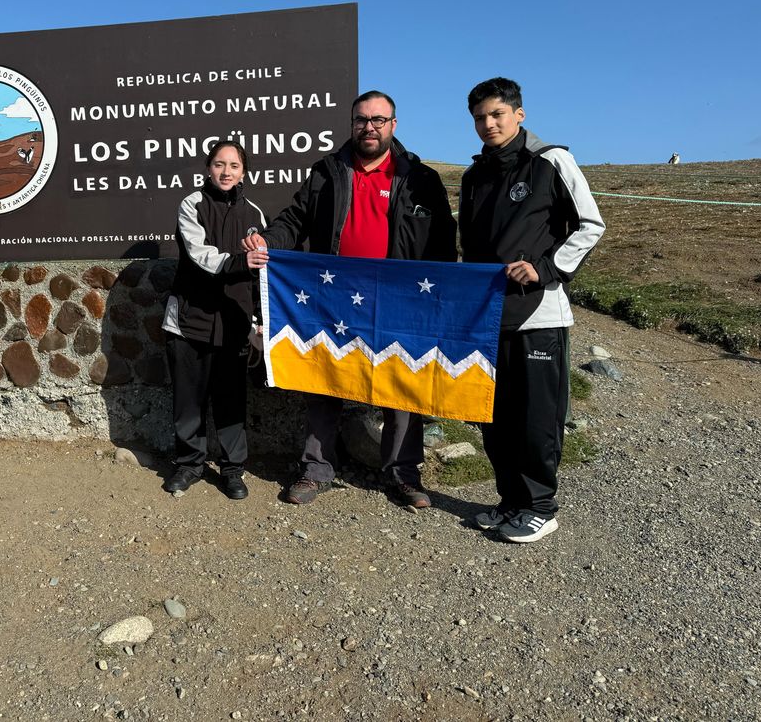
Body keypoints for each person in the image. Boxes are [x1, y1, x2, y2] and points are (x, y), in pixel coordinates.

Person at [245, 90, 456, 508]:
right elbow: (294, 219)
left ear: (394, 125)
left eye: (379, 119)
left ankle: (403, 476)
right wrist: (267, 242)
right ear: (352, 124)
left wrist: (439, 293)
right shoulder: (327, 172)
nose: (370, 127)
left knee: (402, 383)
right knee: (325, 379)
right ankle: (316, 468)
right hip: (336, 296)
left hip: (400, 299)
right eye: (362, 120)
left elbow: (443, 243)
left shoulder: (421, 179)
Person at [458, 77, 604, 543]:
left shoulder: (551, 161)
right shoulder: (473, 176)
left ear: (519, 114)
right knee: (493, 414)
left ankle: (541, 505)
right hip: (488, 314)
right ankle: (510, 502)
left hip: (540, 314)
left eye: (497, 114)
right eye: (480, 117)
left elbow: (590, 225)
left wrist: (545, 268)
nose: (488, 124)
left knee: (536, 415)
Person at [162, 141, 269, 499]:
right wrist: (240, 261)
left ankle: (233, 470)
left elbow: (261, 276)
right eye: (220, 164)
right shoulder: (190, 204)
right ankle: (189, 464)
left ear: (244, 172)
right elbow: (198, 255)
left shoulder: (255, 214)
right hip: (190, 320)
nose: (226, 172)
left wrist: (257, 321)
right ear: (208, 167)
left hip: (233, 323)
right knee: (188, 400)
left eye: (234, 166)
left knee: (231, 399)